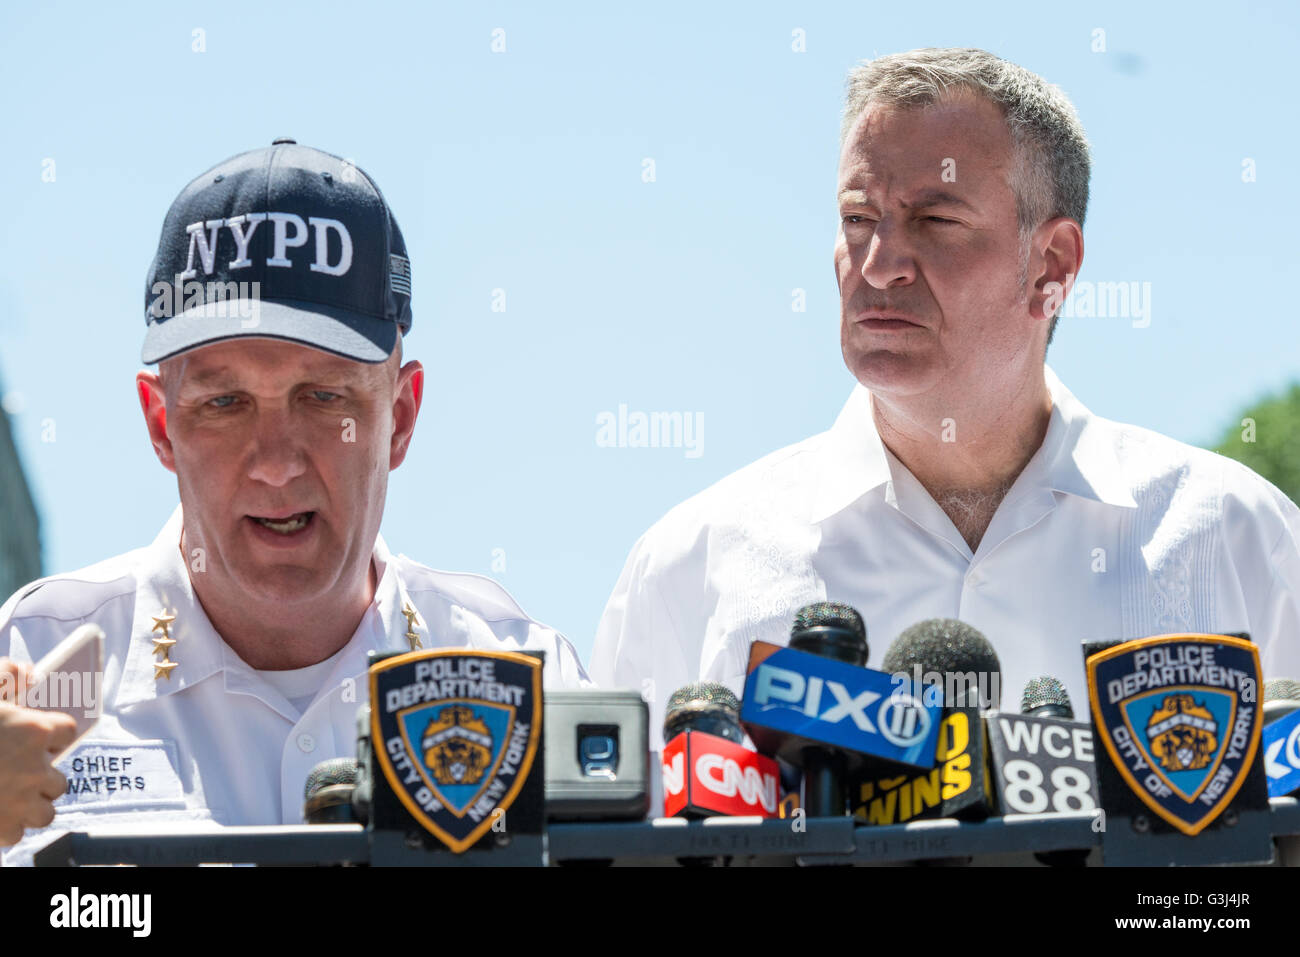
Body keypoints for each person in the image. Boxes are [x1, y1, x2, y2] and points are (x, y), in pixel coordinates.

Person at [591, 48, 1300, 746]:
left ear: (1050, 265)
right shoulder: (693, 565)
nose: (878, 264)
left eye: (934, 221)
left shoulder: (1236, 539)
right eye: (858, 218)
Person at [0, 139, 588, 863]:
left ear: (400, 418)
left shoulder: (529, 683)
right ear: (161, 425)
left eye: (322, 397)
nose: (276, 464)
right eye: (225, 401)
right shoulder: (25, 664)